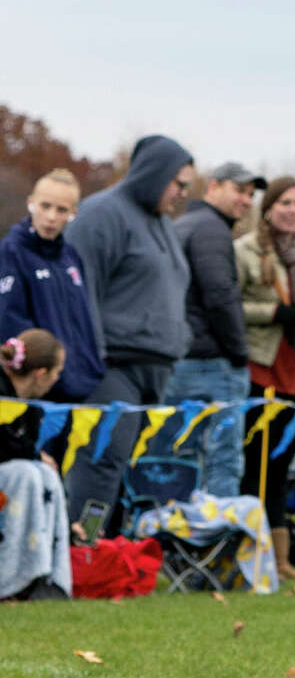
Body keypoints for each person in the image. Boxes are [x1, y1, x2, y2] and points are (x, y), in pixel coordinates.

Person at [63, 135, 195, 533]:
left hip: (157, 367)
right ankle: (82, 549)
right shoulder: (100, 215)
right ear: (154, 176)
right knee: (102, 459)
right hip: (112, 366)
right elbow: (78, 292)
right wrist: (91, 359)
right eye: (179, 184)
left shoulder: (164, 226)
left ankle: (112, 552)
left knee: (129, 466)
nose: (182, 194)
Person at [233, 176, 295, 574]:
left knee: (282, 463)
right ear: (269, 207)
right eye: (285, 203)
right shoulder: (245, 250)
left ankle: (279, 555)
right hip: (262, 366)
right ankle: (250, 550)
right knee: (255, 461)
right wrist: (273, 313)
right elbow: (231, 306)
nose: (293, 210)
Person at [164, 162, 262, 498]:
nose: (246, 200)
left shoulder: (182, 224)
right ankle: (217, 541)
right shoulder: (211, 230)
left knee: (175, 458)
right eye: (239, 190)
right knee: (222, 460)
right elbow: (221, 296)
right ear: (213, 186)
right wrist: (239, 353)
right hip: (211, 363)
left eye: (250, 194)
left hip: (178, 357)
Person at [0, 169, 104, 406]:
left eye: (61, 210)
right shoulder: (11, 252)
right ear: (31, 203)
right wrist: (44, 372)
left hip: (80, 388)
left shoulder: (71, 258)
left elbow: (85, 321)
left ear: (73, 213)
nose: (51, 217)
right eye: (45, 206)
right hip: (37, 392)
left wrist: (92, 365)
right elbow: (10, 322)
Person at [0, 330, 72, 599]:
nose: (58, 380)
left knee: (46, 474)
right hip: (12, 479)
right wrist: (32, 455)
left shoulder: (31, 406)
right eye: (57, 372)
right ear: (41, 373)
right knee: (26, 473)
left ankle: (50, 576)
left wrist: (36, 457)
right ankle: (11, 579)